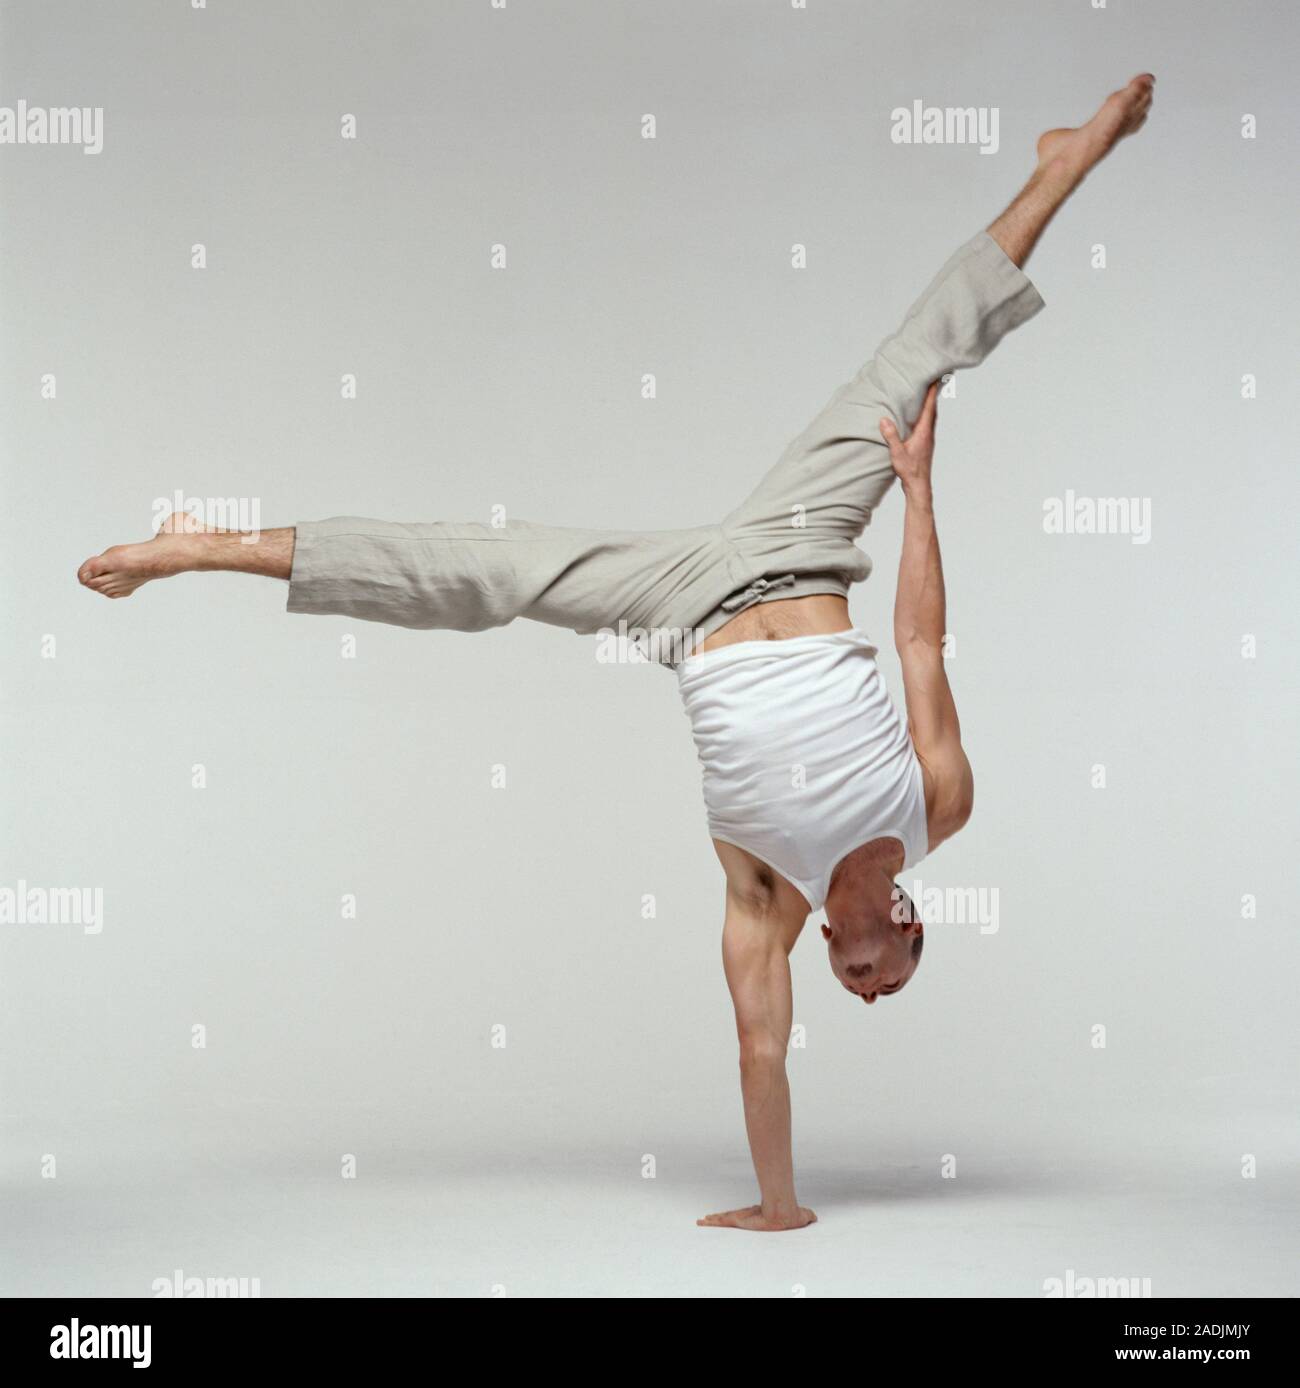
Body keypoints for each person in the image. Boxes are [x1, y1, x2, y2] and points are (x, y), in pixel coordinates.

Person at [79, 75, 1155, 1232]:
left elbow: (758, 1050)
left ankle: (200, 550)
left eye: (856, 986)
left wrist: (780, 1206)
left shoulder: (761, 902)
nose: (863, 987)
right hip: (801, 543)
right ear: (907, 923)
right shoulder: (938, 806)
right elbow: (917, 640)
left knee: (484, 571)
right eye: (880, 972)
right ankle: (1067, 160)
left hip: (683, 610)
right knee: (916, 364)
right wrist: (918, 494)